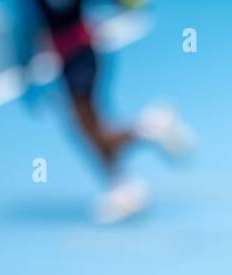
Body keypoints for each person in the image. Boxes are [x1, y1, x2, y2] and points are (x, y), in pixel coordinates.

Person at [12, 0, 194, 221]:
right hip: (78, 56)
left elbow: (26, 29)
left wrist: (25, 73)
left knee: (91, 132)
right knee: (88, 131)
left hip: (80, 59)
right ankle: (124, 187)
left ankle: (151, 127)